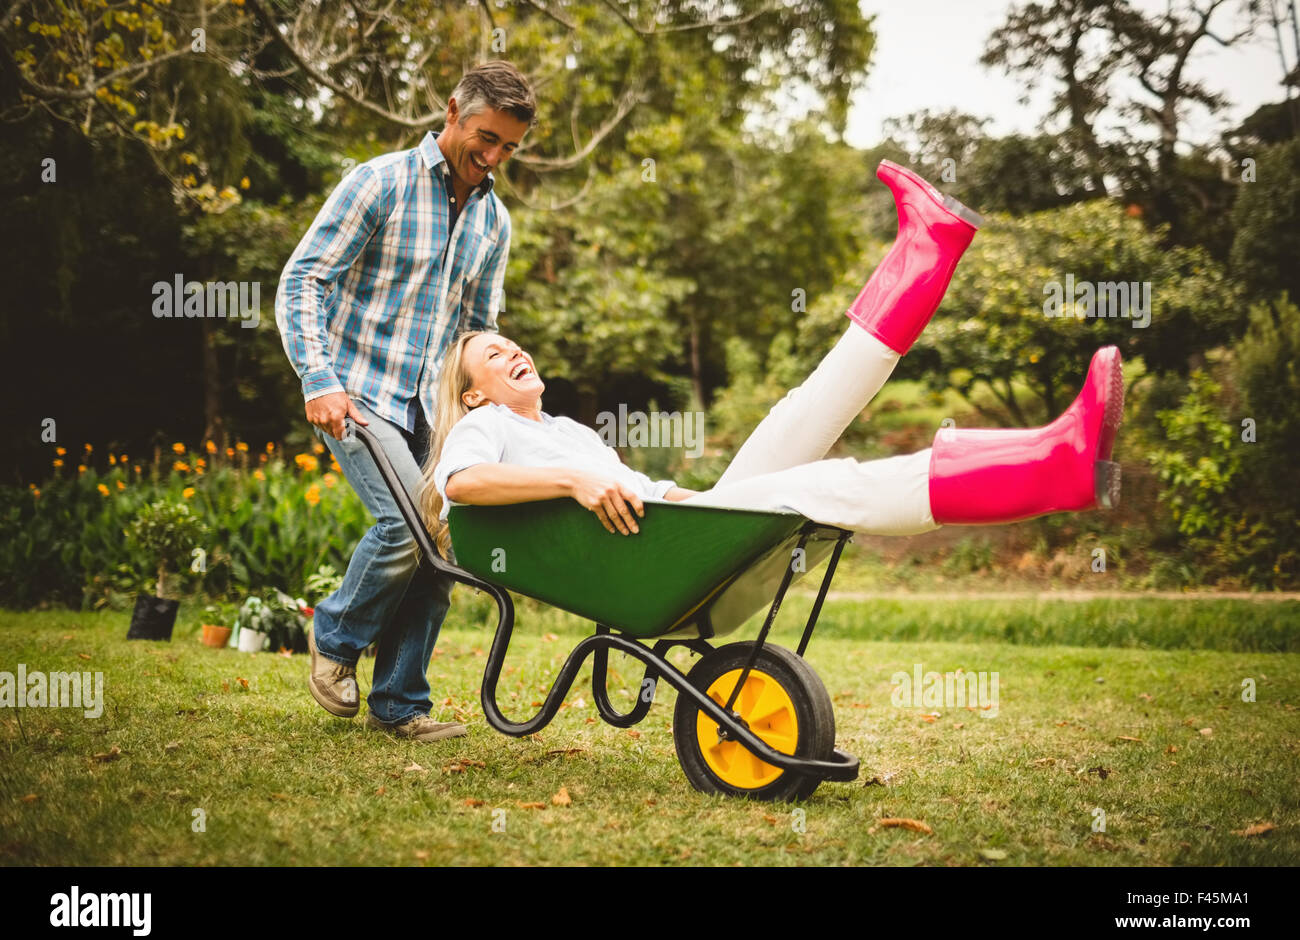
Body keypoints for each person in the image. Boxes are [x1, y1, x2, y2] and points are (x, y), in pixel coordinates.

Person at [419, 161, 1123, 548]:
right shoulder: (488, 428)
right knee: (826, 485)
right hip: (665, 555)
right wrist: (574, 484)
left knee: (806, 407)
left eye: (511, 341)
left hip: (681, 530)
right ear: (474, 392)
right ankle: (1052, 469)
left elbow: (646, 493)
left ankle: (927, 248)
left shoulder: (563, 432)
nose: (513, 350)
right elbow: (461, 486)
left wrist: (687, 498)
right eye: (492, 353)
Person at [274, 60, 536, 742]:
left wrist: (489, 406)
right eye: (485, 137)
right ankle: (334, 640)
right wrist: (318, 378)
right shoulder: (379, 181)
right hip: (358, 391)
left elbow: (478, 326)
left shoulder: (494, 220)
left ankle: (399, 705)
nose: (494, 156)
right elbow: (303, 278)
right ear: (453, 112)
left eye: (508, 147)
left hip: (434, 407)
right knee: (403, 525)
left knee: (441, 543)